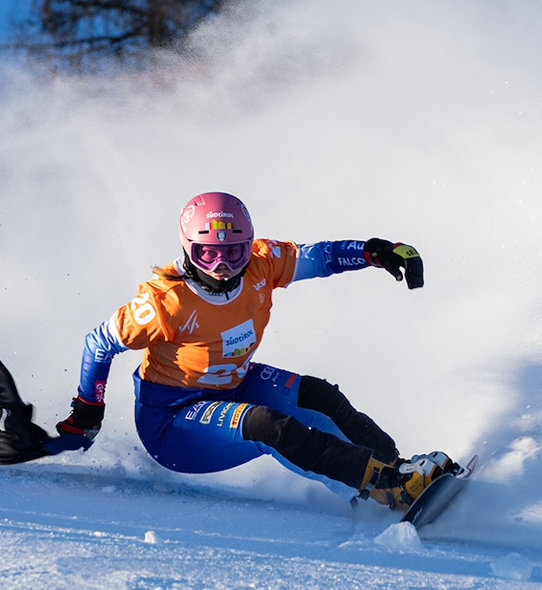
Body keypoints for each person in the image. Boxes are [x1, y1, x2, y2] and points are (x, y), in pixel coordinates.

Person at [56, 191, 454, 510]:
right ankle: (382, 488)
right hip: (173, 422)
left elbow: (321, 256)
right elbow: (98, 344)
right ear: (187, 248)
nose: (221, 265)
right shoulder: (165, 304)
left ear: (249, 246)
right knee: (269, 426)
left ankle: (397, 470)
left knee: (319, 396)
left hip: (235, 384)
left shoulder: (263, 263)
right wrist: (88, 411)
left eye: (234, 252)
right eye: (206, 253)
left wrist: (374, 252)